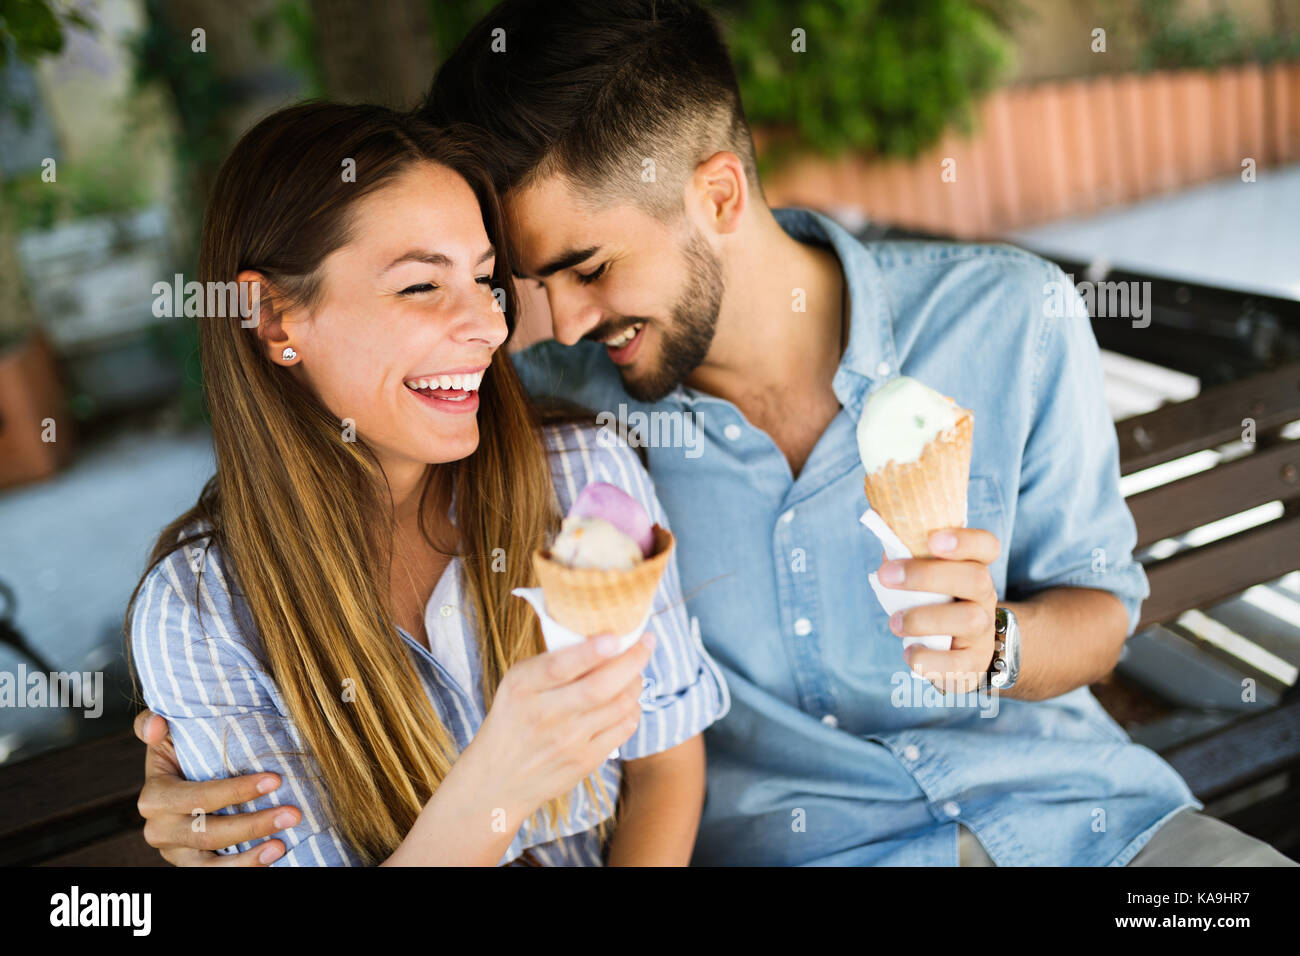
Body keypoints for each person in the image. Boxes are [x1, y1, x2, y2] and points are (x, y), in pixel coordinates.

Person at [134, 1, 1295, 866]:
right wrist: (199, 768)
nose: (557, 322)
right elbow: (351, 433)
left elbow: (1099, 612)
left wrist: (995, 642)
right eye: (531, 282)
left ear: (721, 194)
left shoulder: (1007, 314)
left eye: (584, 268)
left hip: (1098, 827)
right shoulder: (586, 446)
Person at [126, 100, 727, 866]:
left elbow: (665, 768)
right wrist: (499, 779)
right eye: (420, 287)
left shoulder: (583, 481)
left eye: (485, 280)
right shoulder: (201, 614)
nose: (490, 325)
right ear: (275, 318)